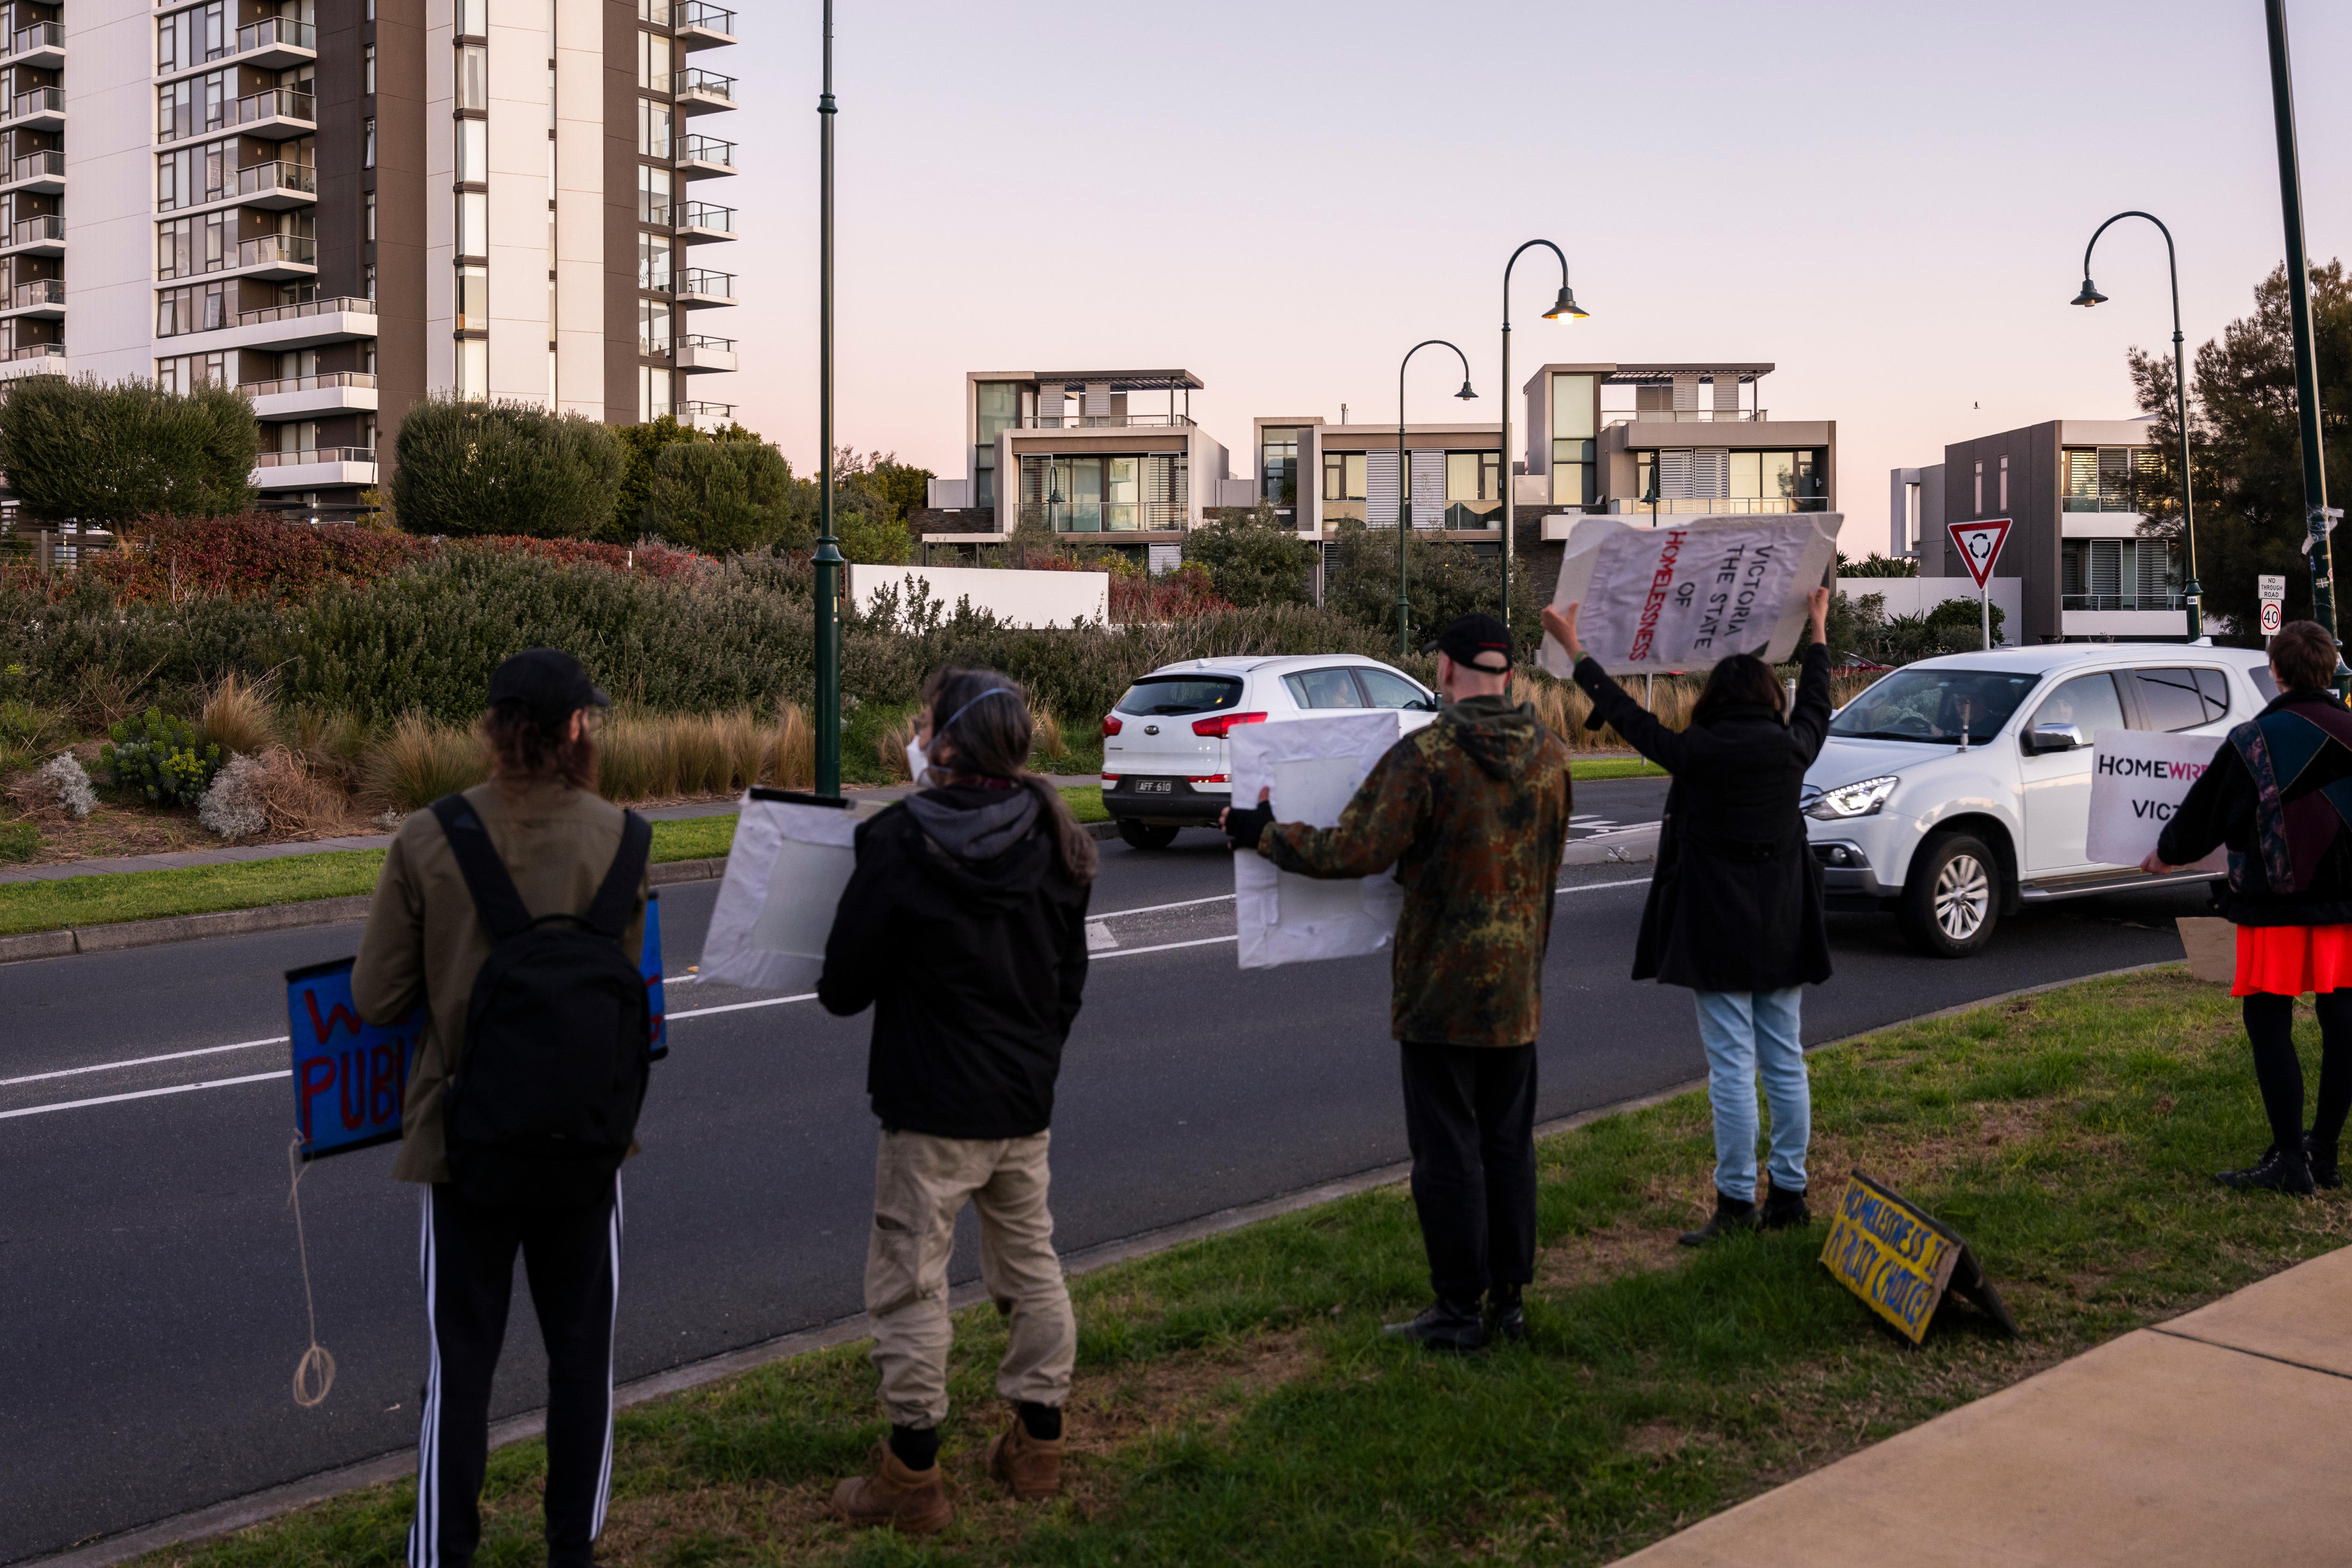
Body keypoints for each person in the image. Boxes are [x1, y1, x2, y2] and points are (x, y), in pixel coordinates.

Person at [353, 648, 652, 1568]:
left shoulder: (427, 837)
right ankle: (573, 1545)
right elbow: (624, 995)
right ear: (574, 729)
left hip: (463, 1149)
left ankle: (444, 1551)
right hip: (588, 1153)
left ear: (493, 727)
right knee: (580, 1361)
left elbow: (375, 999)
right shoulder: (625, 839)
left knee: (462, 1367)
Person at [1221, 613, 1574, 1353]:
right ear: (1507, 674)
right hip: (1519, 990)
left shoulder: (1428, 755)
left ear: (1445, 671)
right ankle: (1508, 1302)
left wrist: (1260, 831)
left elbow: (1355, 850)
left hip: (1441, 991)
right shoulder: (1551, 755)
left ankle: (1455, 1310)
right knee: (1509, 1146)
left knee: (1448, 1153)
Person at [819, 668, 1098, 1532]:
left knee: (910, 1282)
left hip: (929, 1100)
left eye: (924, 722)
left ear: (943, 742)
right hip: (1022, 1097)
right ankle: (1038, 1443)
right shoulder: (1060, 833)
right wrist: (1035, 1056)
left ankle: (912, 1474)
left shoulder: (901, 840)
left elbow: (843, 987)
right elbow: (1069, 983)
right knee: (1032, 1264)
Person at [1540, 588, 1834, 1245]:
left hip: (1716, 928)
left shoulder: (1695, 754)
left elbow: (1623, 713)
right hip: (1784, 922)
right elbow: (1818, 700)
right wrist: (1817, 628)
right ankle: (1790, 1193)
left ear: (1713, 702)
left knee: (1732, 1067)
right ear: (1768, 699)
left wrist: (1575, 648)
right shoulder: (1794, 750)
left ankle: (1735, 1205)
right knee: (1785, 1058)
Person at [2144, 619, 2352, 1195]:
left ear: (2275, 672)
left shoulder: (2253, 741)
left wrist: (2164, 854)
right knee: (2343, 1023)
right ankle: (2325, 1153)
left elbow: (2204, 812)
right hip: (2347, 908)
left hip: (2277, 903)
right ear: (2331, 668)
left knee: (2268, 1021)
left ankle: (2290, 1160)